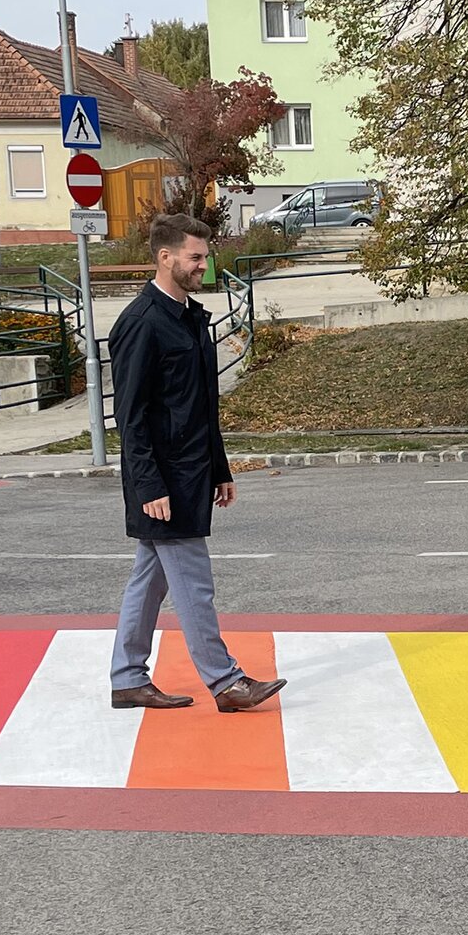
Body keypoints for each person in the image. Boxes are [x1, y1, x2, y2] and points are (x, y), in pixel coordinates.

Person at [106, 214, 284, 712]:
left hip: (190, 472)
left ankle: (126, 678)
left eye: (205, 256)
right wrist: (149, 485)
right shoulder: (142, 323)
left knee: (150, 578)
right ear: (165, 258)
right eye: (196, 257)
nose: (205, 265)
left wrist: (220, 469)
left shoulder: (189, 317)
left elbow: (202, 406)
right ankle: (225, 682)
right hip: (163, 479)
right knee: (194, 585)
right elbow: (131, 415)